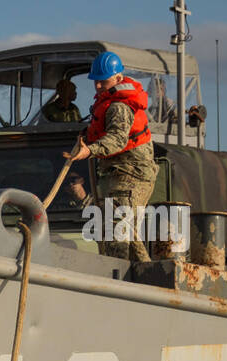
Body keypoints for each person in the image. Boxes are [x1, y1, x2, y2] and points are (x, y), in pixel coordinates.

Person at [64, 51, 158, 261]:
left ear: (118, 78)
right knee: (121, 233)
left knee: (118, 235)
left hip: (131, 176)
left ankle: (121, 280)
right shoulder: (107, 101)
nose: (97, 87)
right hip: (117, 177)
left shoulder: (119, 107)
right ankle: (145, 276)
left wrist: (90, 150)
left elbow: (117, 139)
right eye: (95, 82)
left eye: (102, 82)